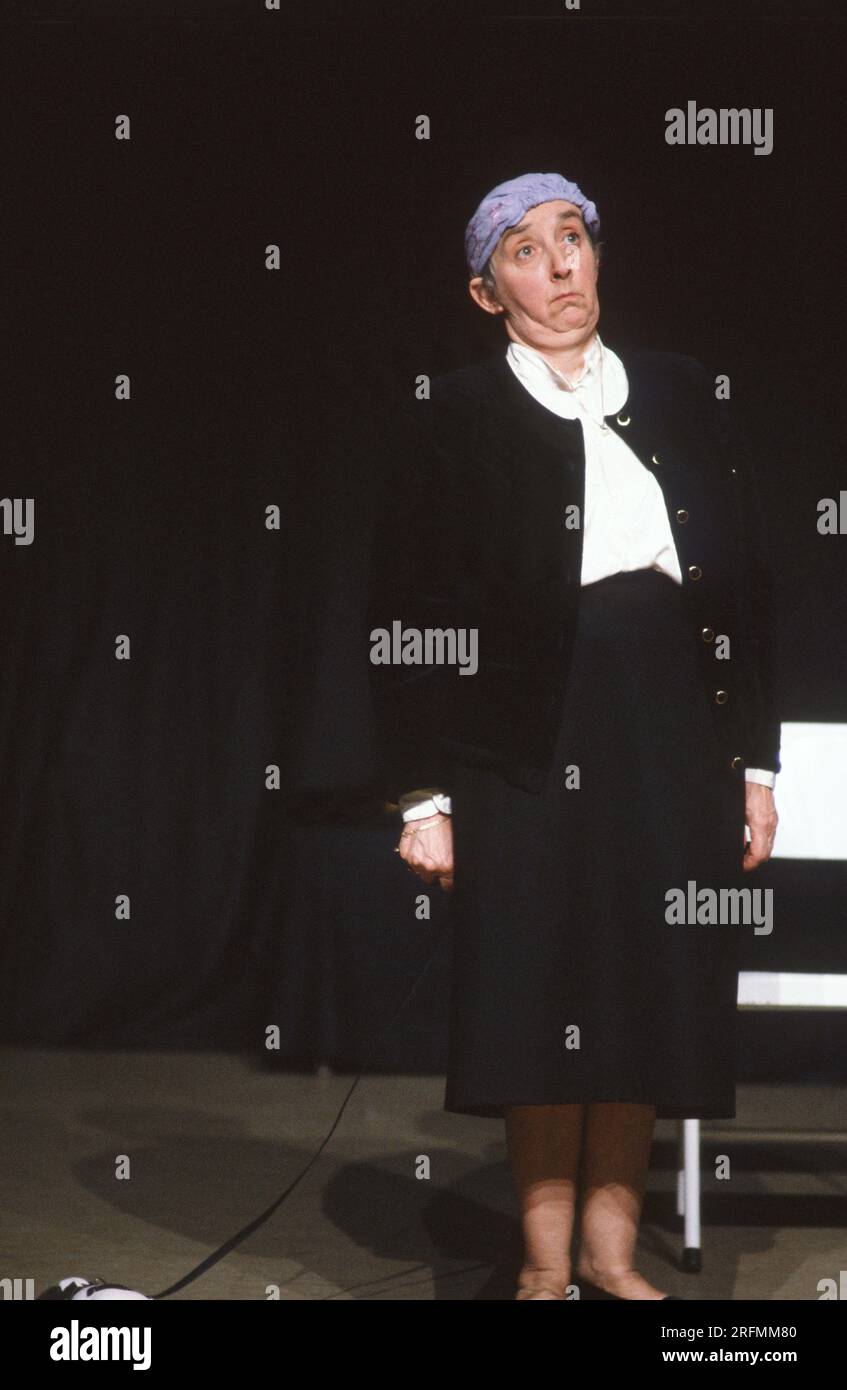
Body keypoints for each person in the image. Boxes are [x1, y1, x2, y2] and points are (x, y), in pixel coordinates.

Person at [366, 171, 780, 1300]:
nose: (557, 267)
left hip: (671, 733)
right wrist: (420, 797)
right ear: (485, 289)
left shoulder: (684, 392)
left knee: (648, 986)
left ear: (597, 255)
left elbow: (742, 591)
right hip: (526, 737)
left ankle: (608, 1255)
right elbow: (406, 610)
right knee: (540, 994)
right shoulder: (455, 414)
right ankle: (542, 1268)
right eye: (524, 251)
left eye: (573, 240)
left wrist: (752, 761)